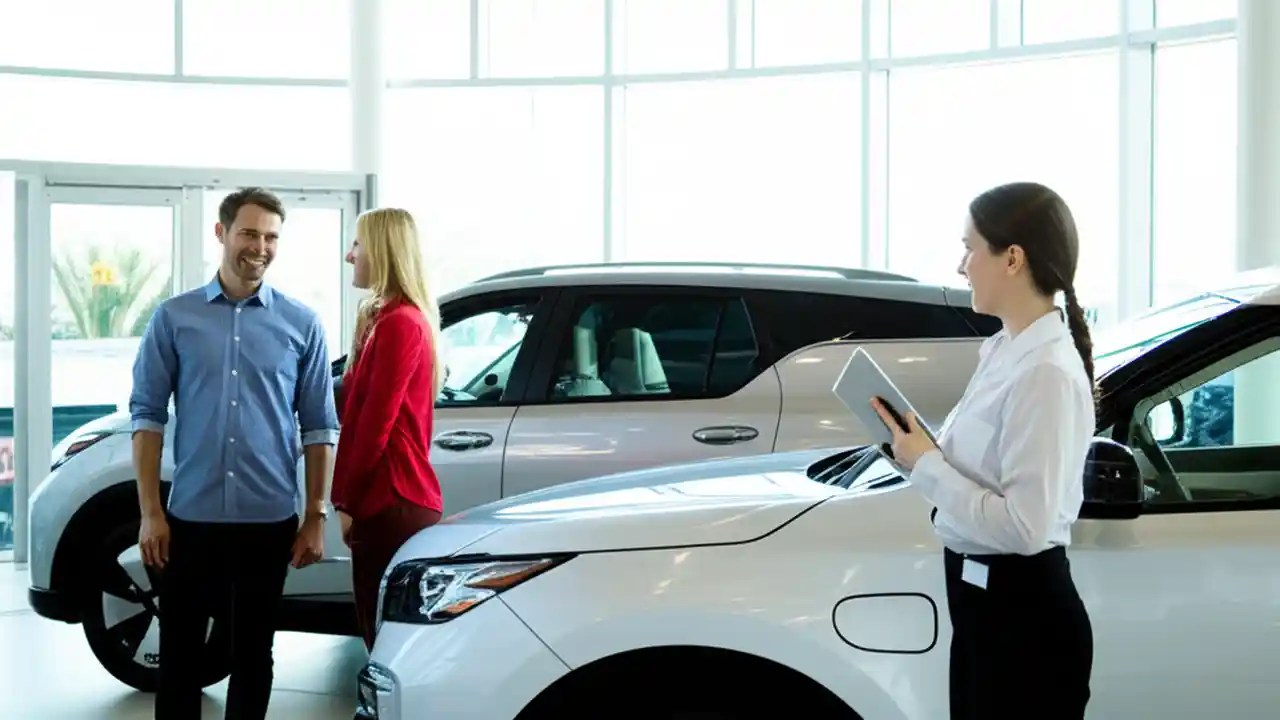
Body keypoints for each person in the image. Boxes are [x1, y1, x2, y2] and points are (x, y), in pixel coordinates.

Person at [871, 181, 1096, 719]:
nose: (961, 265)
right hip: (984, 612)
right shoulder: (1004, 349)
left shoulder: (1044, 371)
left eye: (970, 247)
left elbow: (1024, 527)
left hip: (1023, 623)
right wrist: (921, 451)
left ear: (1012, 258)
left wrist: (926, 465)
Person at [130, 187, 339, 719]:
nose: (260, 247)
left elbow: (319, 427)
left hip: (268, 520)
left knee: (252, 653)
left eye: (271, 236)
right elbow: (147, 416)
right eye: (249, 233)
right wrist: (151, 512)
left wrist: (315, 516)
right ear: (222, 234)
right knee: (179, 655)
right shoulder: (173, 318)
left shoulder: (302, 323)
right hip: (190, 519)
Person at [331, 207, 445, 651]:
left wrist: (347, 500)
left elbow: (374, 425)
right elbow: (351, 404)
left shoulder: (400, 324)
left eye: (357, 245)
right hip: (390, 500)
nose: (349, 256)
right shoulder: (387, 319)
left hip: (390, 501)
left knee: (383, 641)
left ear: (380, 251)